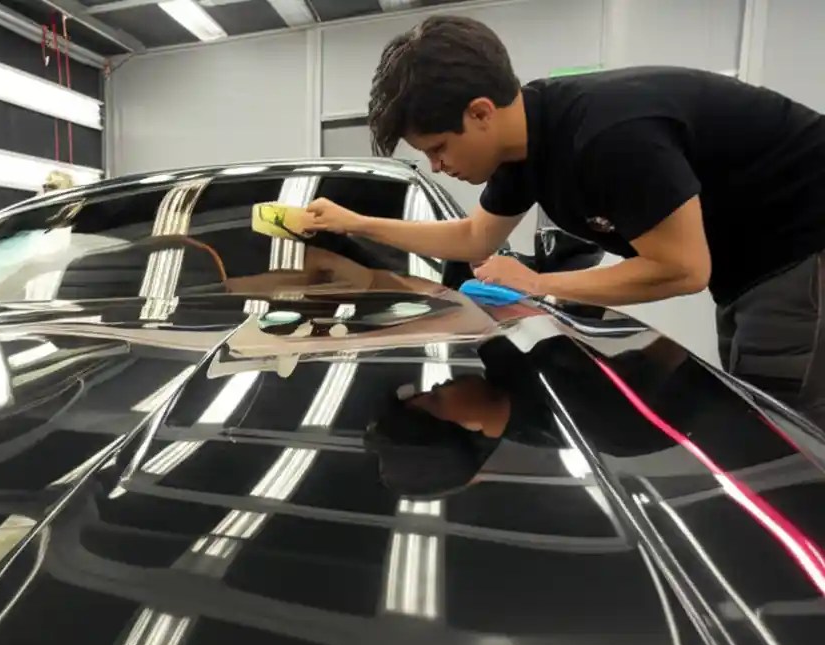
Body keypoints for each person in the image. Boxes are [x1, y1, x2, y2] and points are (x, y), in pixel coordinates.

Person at [303, 15, 825, 428]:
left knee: (783, 435)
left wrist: (539, 283)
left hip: (803, 246)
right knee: (758, 409)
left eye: (439, 148)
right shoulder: (526, 144)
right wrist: (355, 222)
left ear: (482, 113)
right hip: (752, 271)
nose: (438, 166)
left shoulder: (608, 135)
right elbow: (472, 237)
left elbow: (684, 269)